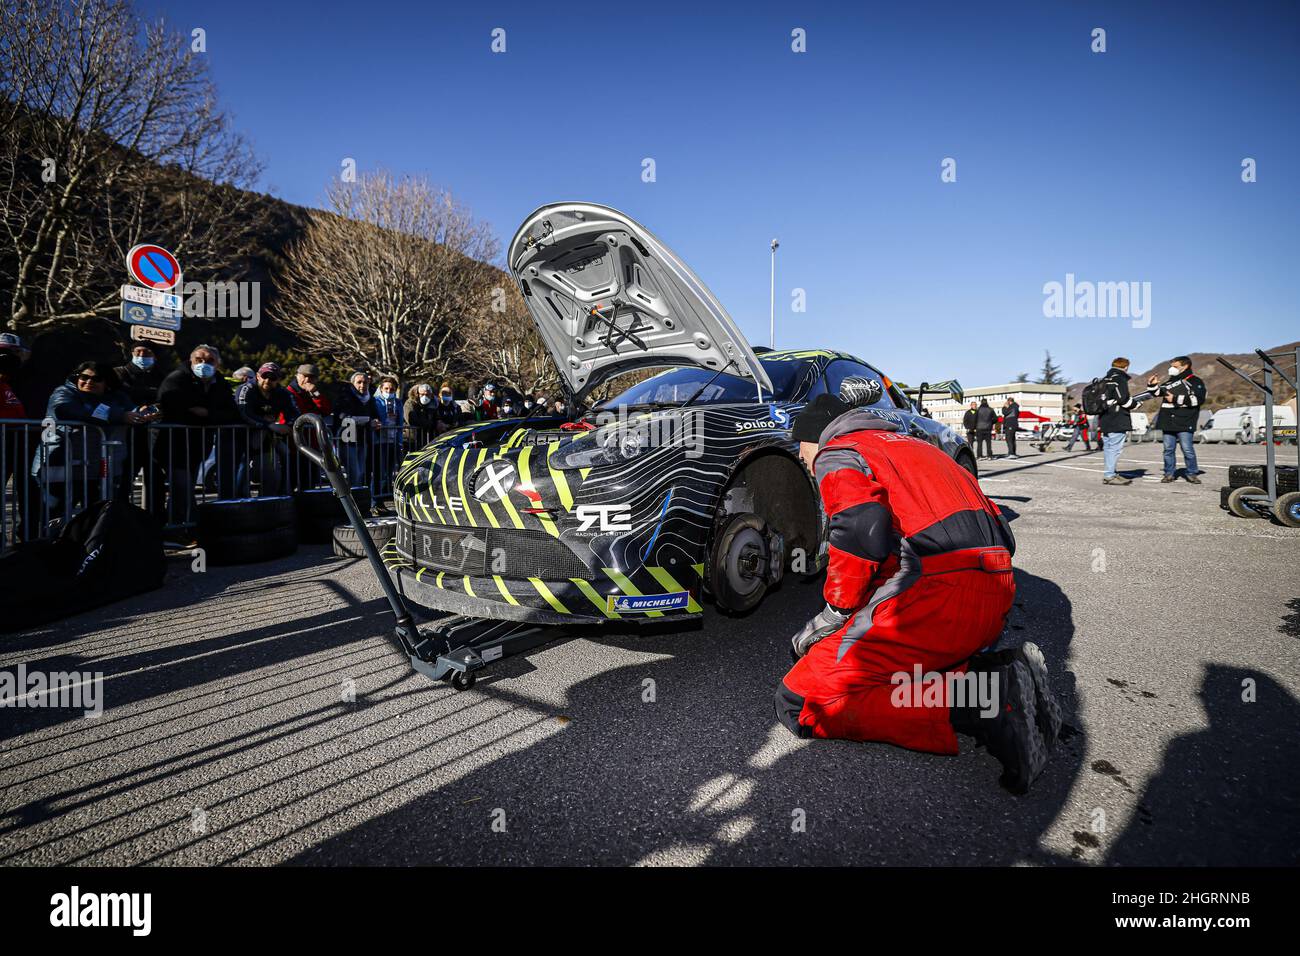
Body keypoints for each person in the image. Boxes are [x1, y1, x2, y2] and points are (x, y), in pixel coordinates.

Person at [777, 387, 1061, 794]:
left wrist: (832, 616)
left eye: (801, 451)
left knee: (802, 700)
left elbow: (860, 533)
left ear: (813, 437)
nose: (804, 461)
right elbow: (997, 537)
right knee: (884, 658)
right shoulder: (919, 448)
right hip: (994, 595)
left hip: (941, 597)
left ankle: (987, 701)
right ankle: (996, 675)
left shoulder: (838, 450)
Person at [34, 361, 157, 524]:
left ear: (107, 383)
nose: (88, 382)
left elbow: (132, 410)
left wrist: (144, 413)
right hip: (60, 465)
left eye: (96, 379)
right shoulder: (63, 392)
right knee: (52, 516)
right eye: (84, 377)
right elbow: (69, 410)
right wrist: (119, 416)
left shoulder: (116, 396)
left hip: (97, 469)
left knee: (97, 517)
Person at [156, 344, 240, 524]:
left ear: (218, 364)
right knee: (182, 487)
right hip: (174, 444)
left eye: (210, 360)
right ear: (191, 360)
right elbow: (171, 405)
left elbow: (231, 412)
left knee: (185, 489)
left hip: (199, 446)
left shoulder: (220, 383)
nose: (204, 363)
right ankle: (189, 525)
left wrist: (208, 413)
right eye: (199, 360)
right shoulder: (176, 378)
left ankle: (176, 525)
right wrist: (202, 413)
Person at [112, 345, 170, 515]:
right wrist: (136, 409)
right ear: (131, 353)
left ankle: (155, 521)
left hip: (155, 434)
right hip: (127, 434)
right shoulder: (119, 373)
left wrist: (156, 408)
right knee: (124, 480)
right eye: (138, 352)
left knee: (156, 480)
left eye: (147, 352)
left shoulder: (162, 376)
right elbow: (117, 396)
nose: (142, 355)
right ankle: (118, 519)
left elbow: (167, 398)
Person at [234, 362, 297, 496]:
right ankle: (240, 501)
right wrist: (267, 424)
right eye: (265, 376)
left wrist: (288, 426)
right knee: (243, 469)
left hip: (267, 442)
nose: (268, 380)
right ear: (257, 376)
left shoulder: (282, 393)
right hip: (242, 439)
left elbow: (294, 413)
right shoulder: (246, 389)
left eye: (273, 377)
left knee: (281, 459)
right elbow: (243, 412)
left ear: (278, 379)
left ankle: (275, 498)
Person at [1147, 356, 1206, 484]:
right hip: (1167, 421)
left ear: (1185, 366)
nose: (1171, 369)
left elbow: (1198, 400)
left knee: (1187, 449)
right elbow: (1158, 393)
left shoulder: (1195, 381)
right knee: (1168, 450)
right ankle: (1169, 474)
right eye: (1171, 366)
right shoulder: (1169, 382)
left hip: (1185, 421)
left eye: (1175, 366)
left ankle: (1191, 473)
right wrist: (1152, 385)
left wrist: (1175, 399)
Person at [1098, 357, 1153, 486]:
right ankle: (1109, 475)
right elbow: (1123, 399)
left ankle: (1110, 472)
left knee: (1108, 448)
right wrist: (1135, 404)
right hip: (1117, 418)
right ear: (1126, 366)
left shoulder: (1105, 379)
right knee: (1115, 449)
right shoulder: (1119, 378)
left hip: (1105, 418)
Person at [335, 370, 379, 490]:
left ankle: (358, 502)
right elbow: (343, 417)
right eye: (359, 382)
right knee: (354, 474)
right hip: (348, 440)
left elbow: (374, 414)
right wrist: (367, 420)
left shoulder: (370, 398)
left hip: (363, 440)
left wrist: (375, 421)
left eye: (365, 382)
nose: (362, 385)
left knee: (361, 474)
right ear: (352, 383)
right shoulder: (345, 396)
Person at [372, 375, 404, 501]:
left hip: (394, 440)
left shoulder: (398, 402)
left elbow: (400, 422)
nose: (389, 392)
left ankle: (384, 498)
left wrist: (400, 441)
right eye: (386, 389)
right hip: (379, 441)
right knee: (380, 473)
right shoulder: (375, 401)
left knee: (390, 472)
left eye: (392, 390)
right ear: (381, 389)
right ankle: (375, 502)